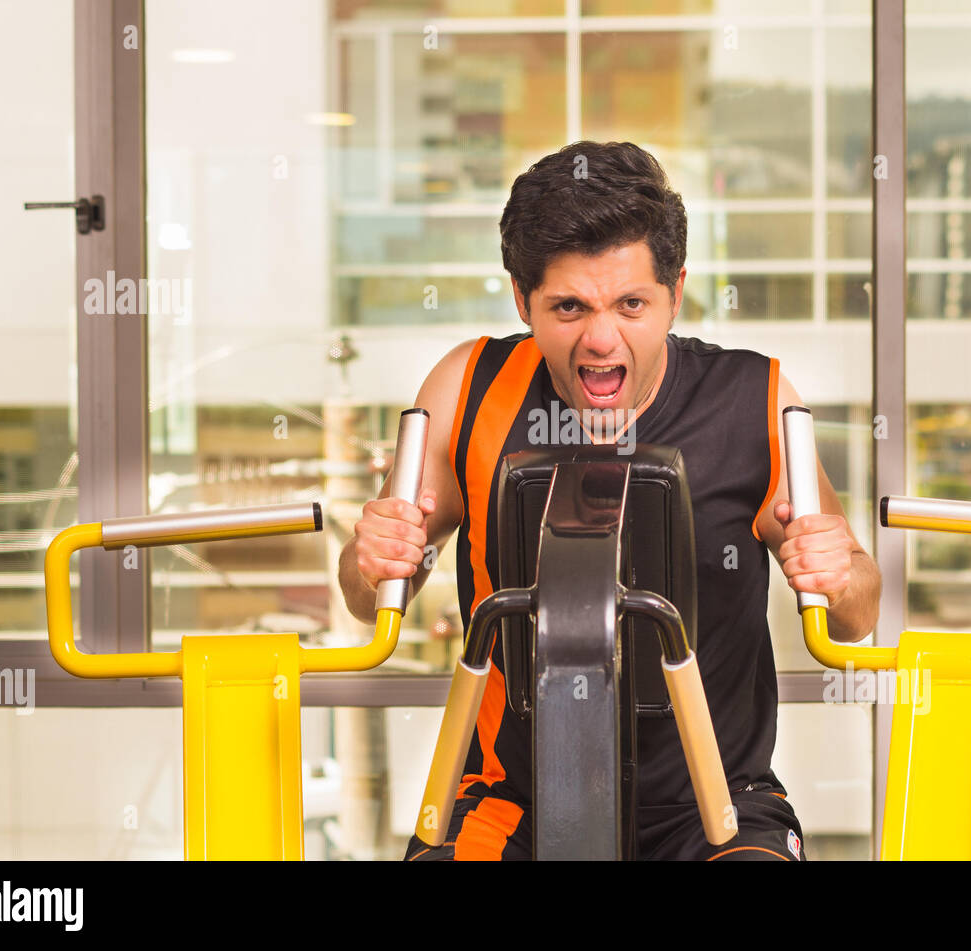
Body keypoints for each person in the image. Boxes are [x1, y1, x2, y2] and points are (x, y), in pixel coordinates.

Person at [338, 141, 882, 861]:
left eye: (631, 305)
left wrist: (839, 572)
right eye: (568, 307)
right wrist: (369, 555)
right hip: (511, 802)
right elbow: (366, 588)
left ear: (675, 291)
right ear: (521, 298)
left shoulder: (756, 401)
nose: (600, 339)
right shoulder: (466, 388)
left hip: (712, 803)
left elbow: (856, 615)